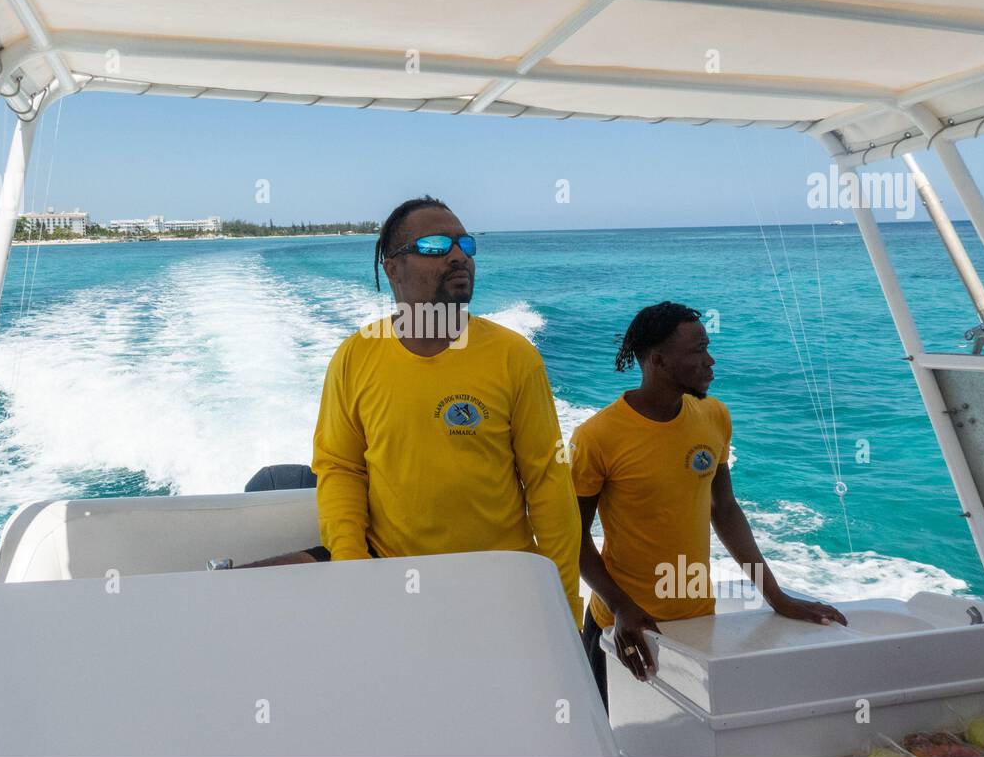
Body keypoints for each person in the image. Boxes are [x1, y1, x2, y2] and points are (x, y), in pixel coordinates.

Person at [309, 196, 583, 624]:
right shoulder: (356, 356)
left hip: (501, 590)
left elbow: (548, 483)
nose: (458, 256)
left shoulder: (514, 356)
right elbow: (340, 467)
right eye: (436, 246)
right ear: (392, 267)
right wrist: (351, 566)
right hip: (395, 585)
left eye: (465, 245)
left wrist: (562, 605)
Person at [571, 301, 846, 707]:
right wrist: (622, 606)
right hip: (622, 627)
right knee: (610, 738)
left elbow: (726, 509)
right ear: (659, 360)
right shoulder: (598, 436)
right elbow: (572, 534)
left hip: (698, 620)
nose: (710, 360)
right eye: (697, 350)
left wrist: (777, 596)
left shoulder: (714, 415)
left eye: (707, 347)